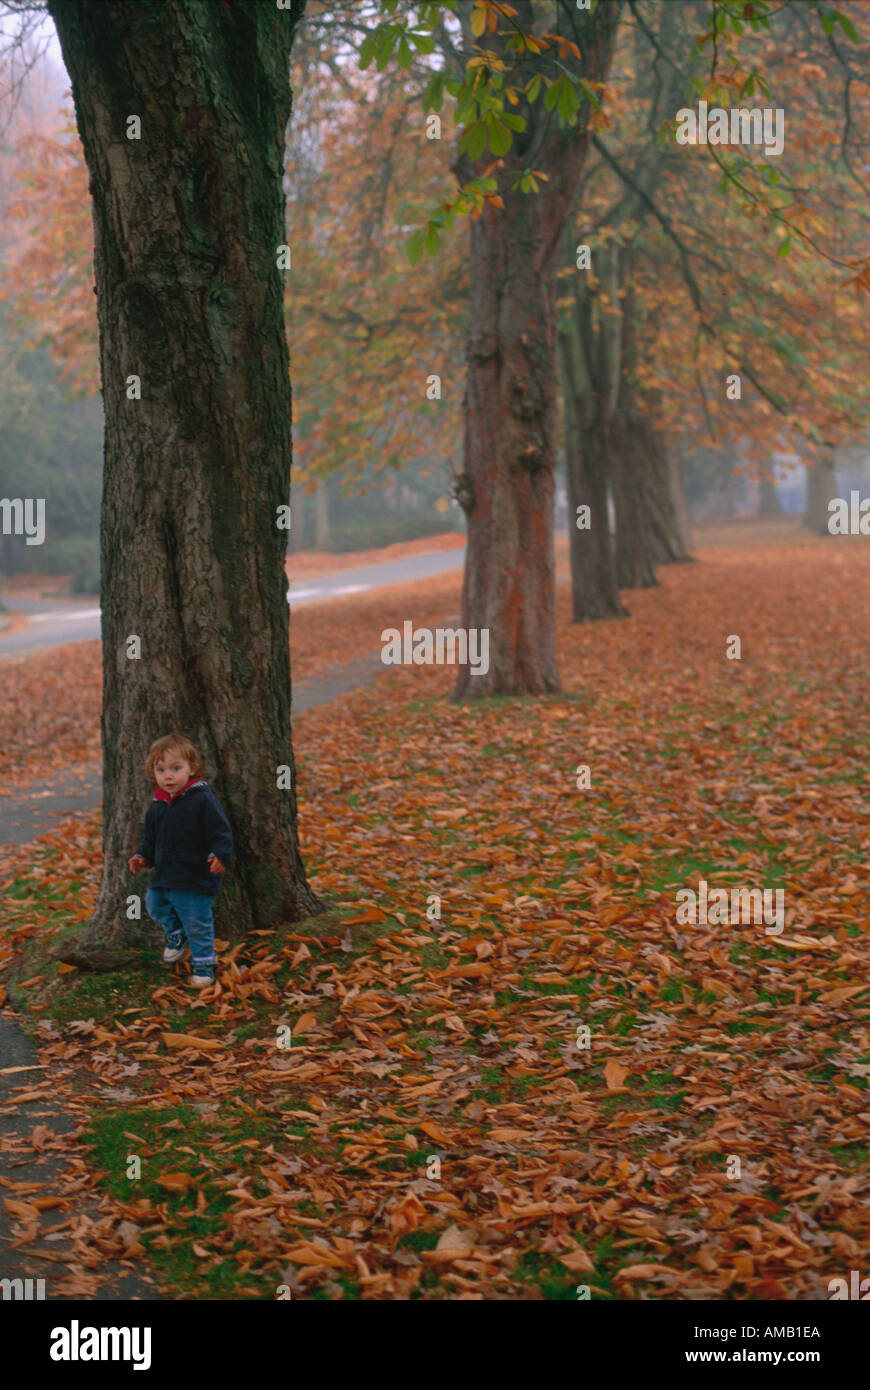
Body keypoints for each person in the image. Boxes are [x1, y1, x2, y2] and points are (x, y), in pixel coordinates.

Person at [128, 733, 233, 988]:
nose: (168, 776)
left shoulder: (201, 799)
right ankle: (176, 934)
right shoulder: (158, 805)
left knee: (197, 923)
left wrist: (220, 855)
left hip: (195, 876)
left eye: (176, 768)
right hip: (165, 874)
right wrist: (142, 855)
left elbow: (220, 831)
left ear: (192, 768)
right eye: (161, 769)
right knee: (153, 905)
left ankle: (204, 966)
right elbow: (151, 837)